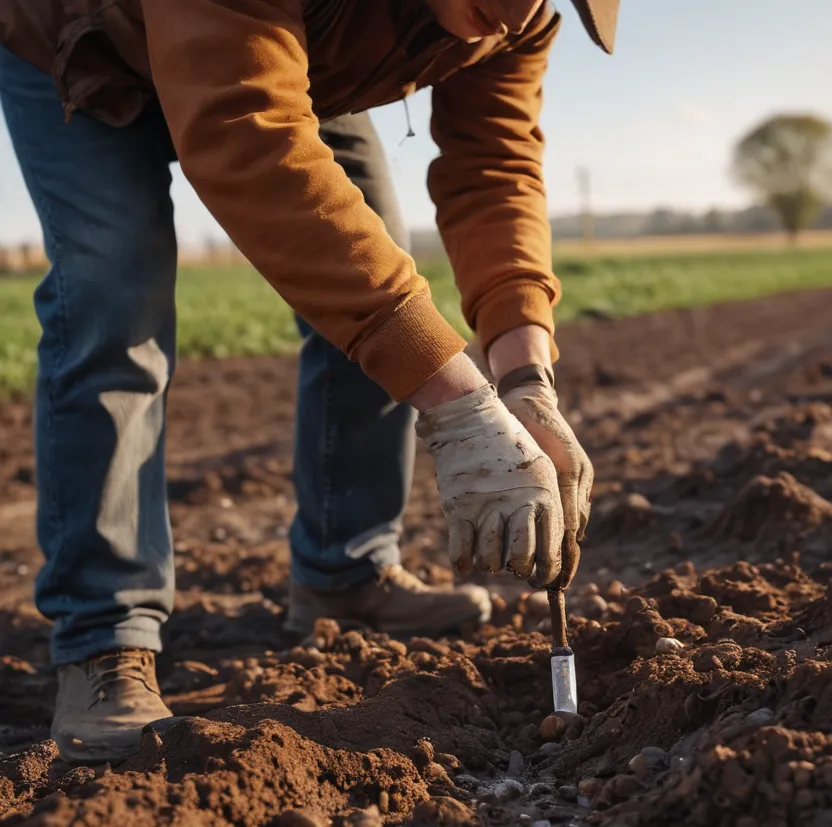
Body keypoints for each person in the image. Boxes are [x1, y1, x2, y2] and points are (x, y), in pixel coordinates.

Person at [0, 0, 615, 765]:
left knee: (375, 262)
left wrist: (526, 379)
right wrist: (460, 404)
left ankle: (344, 569)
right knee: (111, 298)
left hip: (286, 50)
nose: (515, 7)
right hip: (90, 35)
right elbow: (244, 135)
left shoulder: (516, 22)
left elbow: (496, 172)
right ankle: (103, 637)